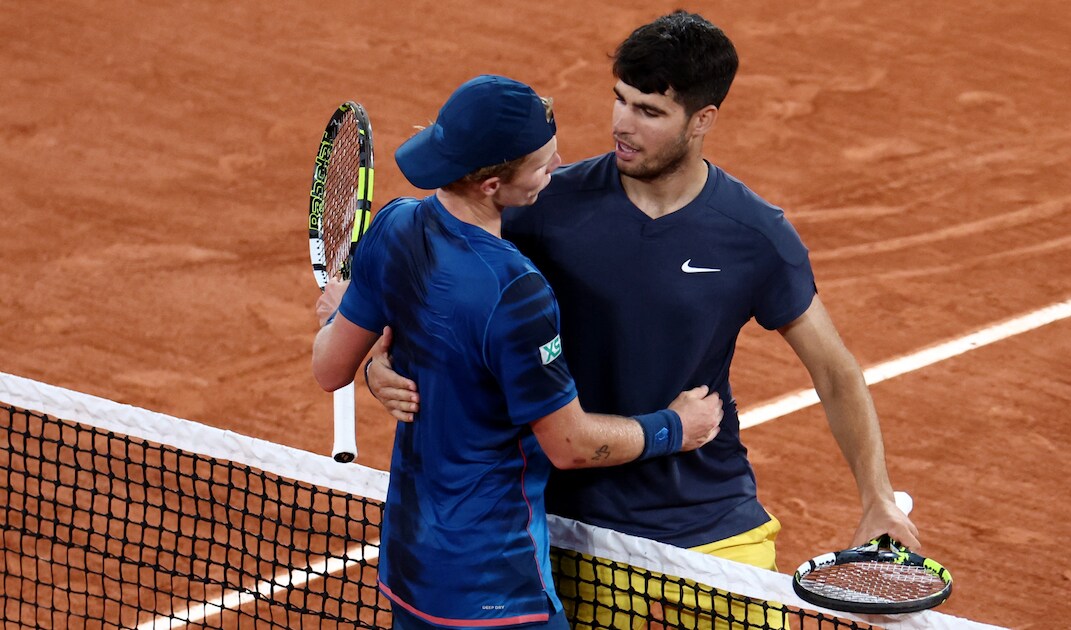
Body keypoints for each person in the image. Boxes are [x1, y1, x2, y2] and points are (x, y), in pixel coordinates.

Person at [368, 12, 920, 628]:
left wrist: (878, 500)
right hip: (578, 526)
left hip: (713, 519)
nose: (622, 125)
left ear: (702, 119)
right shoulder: (545, 207)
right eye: (619, 100)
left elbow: (836, 371)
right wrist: (378, 364)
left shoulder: (755, 234)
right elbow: (433, 290)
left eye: (650, 112)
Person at [311, 74, 722, 630]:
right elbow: (571, 445)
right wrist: (674, 426)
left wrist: (349, 329)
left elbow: (329, 366)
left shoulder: (394, 226)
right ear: (491, 186)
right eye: (542, 163)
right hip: (495, 588)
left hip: (410, 569)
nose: (558, 167)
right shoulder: (516, 290)